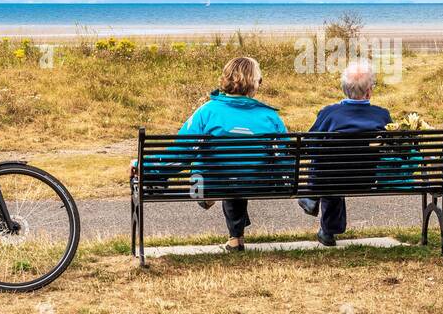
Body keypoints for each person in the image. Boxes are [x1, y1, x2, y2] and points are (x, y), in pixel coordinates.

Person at [132, 56, 286, 252]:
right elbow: (285, 156)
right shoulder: (270, 116)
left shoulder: (207, 112)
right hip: (258, 184)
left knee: (224, 174)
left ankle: (208, 198)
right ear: (253, 83)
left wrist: (142, 166)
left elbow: (180, 154)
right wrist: (282, 181)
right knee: (238, 174)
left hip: (210, 184)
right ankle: (235, 240)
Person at [298, 60, 391, 246]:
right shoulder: (382, 116)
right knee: (333, 166)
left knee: (327, 164)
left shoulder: (330, 113)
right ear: (369, 90)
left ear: (344, 89)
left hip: (330, 178)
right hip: (366, 180)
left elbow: (308, 145)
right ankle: (326, 228)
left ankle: (312, 195)